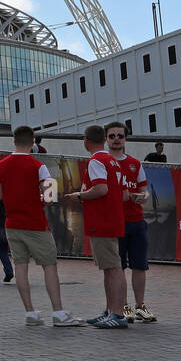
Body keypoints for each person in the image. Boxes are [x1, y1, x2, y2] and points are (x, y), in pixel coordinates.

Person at [0, 126, 82, 326]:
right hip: (35, 224)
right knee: (49, 266)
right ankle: (58, 313)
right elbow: (50, 197)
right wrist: (39, 199)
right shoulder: (38, 166)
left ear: (14, 141)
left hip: (12, 224)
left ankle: (30, 313)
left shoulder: (0, 166)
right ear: (33, 143)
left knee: (21, 267)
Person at [64, 124, 128, 329]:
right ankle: (111, 311)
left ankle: (117, 314)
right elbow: (121, 193)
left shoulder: (96, 160)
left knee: (113, 267)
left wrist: (79, 195)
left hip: (102, 220)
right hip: (111, 218)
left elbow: (101, 188)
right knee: (110, 267)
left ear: (86, 140)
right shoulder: (112, 160)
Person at [106, 122, 154, 323]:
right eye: (112, 136)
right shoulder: (101, 162)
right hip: (115, 224)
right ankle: (124, 308)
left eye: (120, 135)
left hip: (136, 221)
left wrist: (143, 197)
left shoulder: (135, 163)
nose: (116, 139)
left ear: (125, 139)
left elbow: (144, 191)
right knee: (118, 268)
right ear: (106, 140)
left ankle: (140, 306)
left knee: (140, 266)